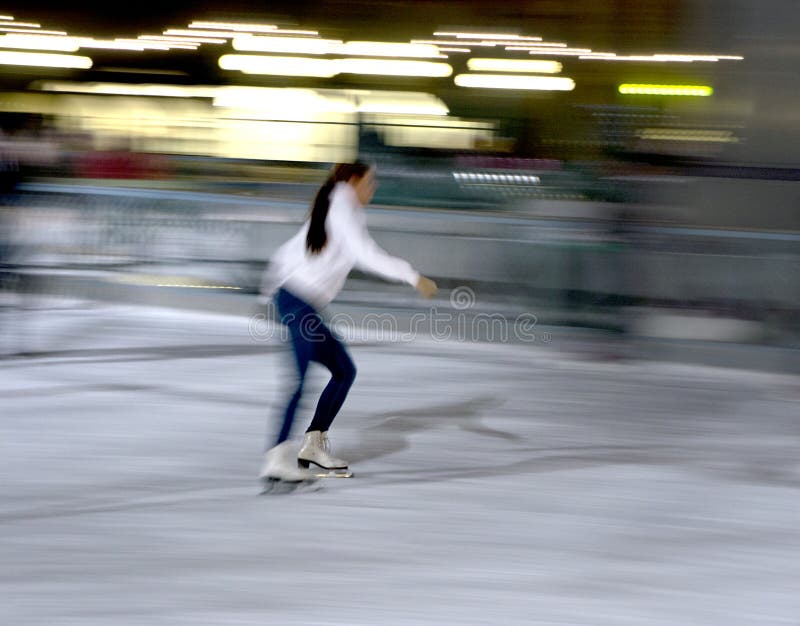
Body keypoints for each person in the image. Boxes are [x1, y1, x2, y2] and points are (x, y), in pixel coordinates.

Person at [259, 162, 437, 482]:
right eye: (370, 181)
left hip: (302, 305)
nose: (374, 187)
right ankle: (277, 456)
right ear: (353, 181)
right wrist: (413, 276)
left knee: (343, 371)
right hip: (297, 302)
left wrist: (271, 292)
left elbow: (289, 253)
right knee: (300, 380)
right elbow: (365, 254)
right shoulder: (342, 204)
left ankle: (313, 445)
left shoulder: (340, 207)